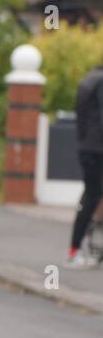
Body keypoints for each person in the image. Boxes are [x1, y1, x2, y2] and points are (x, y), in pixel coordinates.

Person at [68, 61, 103, 267]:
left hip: (88, 148)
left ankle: (75, 248)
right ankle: (74, 250)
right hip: (99, 149)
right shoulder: (100, 82)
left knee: (92, 195)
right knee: (92, 196)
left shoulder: (88, 79)